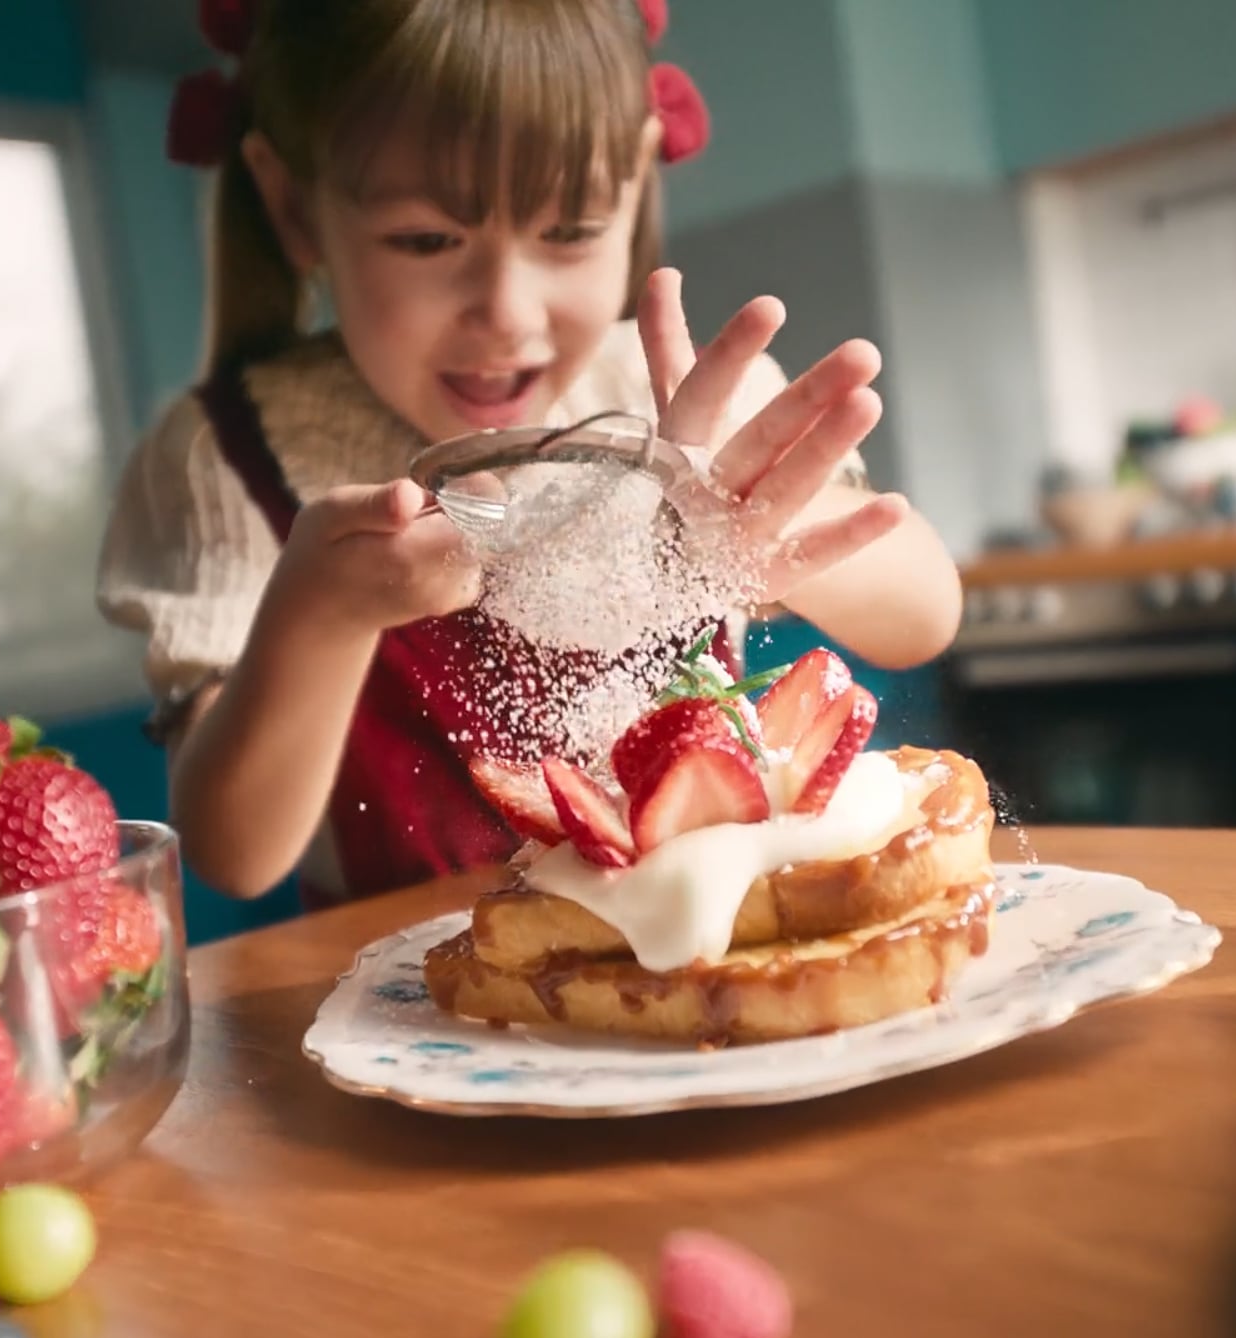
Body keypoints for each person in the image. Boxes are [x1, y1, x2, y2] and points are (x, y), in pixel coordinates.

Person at [96, 0, 964, 909]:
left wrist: (756, 536)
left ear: (633, 178)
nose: (508, 313)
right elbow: (237, 853)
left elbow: (925, 615)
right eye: (428, 241)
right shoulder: (222, 458)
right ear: (294, 206)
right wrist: (321, 614)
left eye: (568, 234)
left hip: (707, 955)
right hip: (426, 1022)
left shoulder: (679, 398)